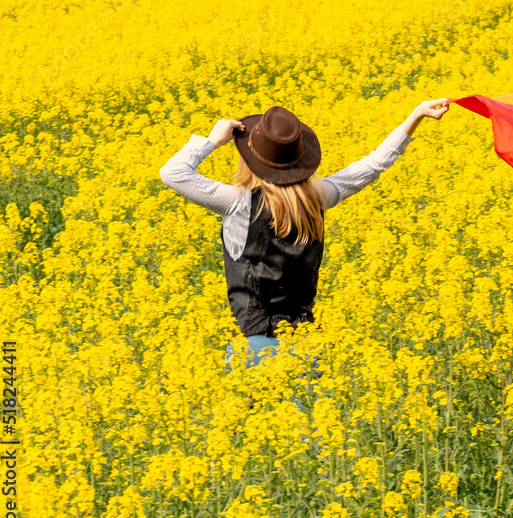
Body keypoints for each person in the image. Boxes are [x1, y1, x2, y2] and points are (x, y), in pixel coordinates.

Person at [159, 99, 449, 370]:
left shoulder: (238, 204)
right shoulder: (318, 199)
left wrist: (212, 141)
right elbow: (372, 165)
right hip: (305, 347)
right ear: (300, 160)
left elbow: (172, 172)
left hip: (251, 348)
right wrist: (416, 115)